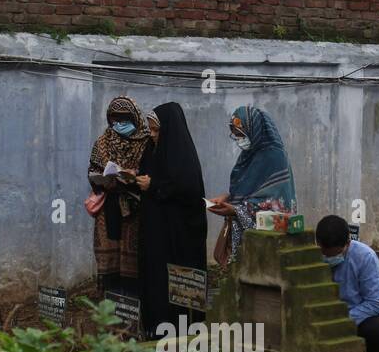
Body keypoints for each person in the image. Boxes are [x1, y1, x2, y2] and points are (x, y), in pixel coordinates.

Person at [135, 102, 207, 335]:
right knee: (155, 279)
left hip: (178, 237)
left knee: (176, 281)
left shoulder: (181, 155)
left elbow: (188, 190)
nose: (153, 135)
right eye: (151, 130)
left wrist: (154, 185)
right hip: (156, 233)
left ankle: (182, 331)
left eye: (157, 130)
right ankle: (155, 328)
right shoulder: (151, 150)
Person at [207, 106, 297, 263]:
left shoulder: (275, 156)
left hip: (269, 236)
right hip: (242, 234)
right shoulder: (247, 156)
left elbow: (276, 201)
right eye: (235, 135)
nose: (238, 139)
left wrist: (236, 209)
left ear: (254, 130)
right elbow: (249, 189)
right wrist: (227, 198)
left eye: (240, 134)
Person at [315, 214, 379, 352]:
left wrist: (344, 320)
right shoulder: (314, 256)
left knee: (378, 333)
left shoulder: (365, 257)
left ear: (347, 243)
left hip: (359, 315)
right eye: (325, 254)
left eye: (335, 254)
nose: (329, 259)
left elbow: (376, 303)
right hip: (326, 314)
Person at [88, 96, 151, 296]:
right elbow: (92, 170)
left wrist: (133, 175)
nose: (120, 125)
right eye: (115, 120)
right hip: (109, 207)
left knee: (132, 258)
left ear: (136, 119)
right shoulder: (103, 142)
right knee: (109, 254)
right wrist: (103, 179)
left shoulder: (146, 143)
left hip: (136, 208)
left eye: (125, 120)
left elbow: (152, 172)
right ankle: (109, 301)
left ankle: (133, 303)